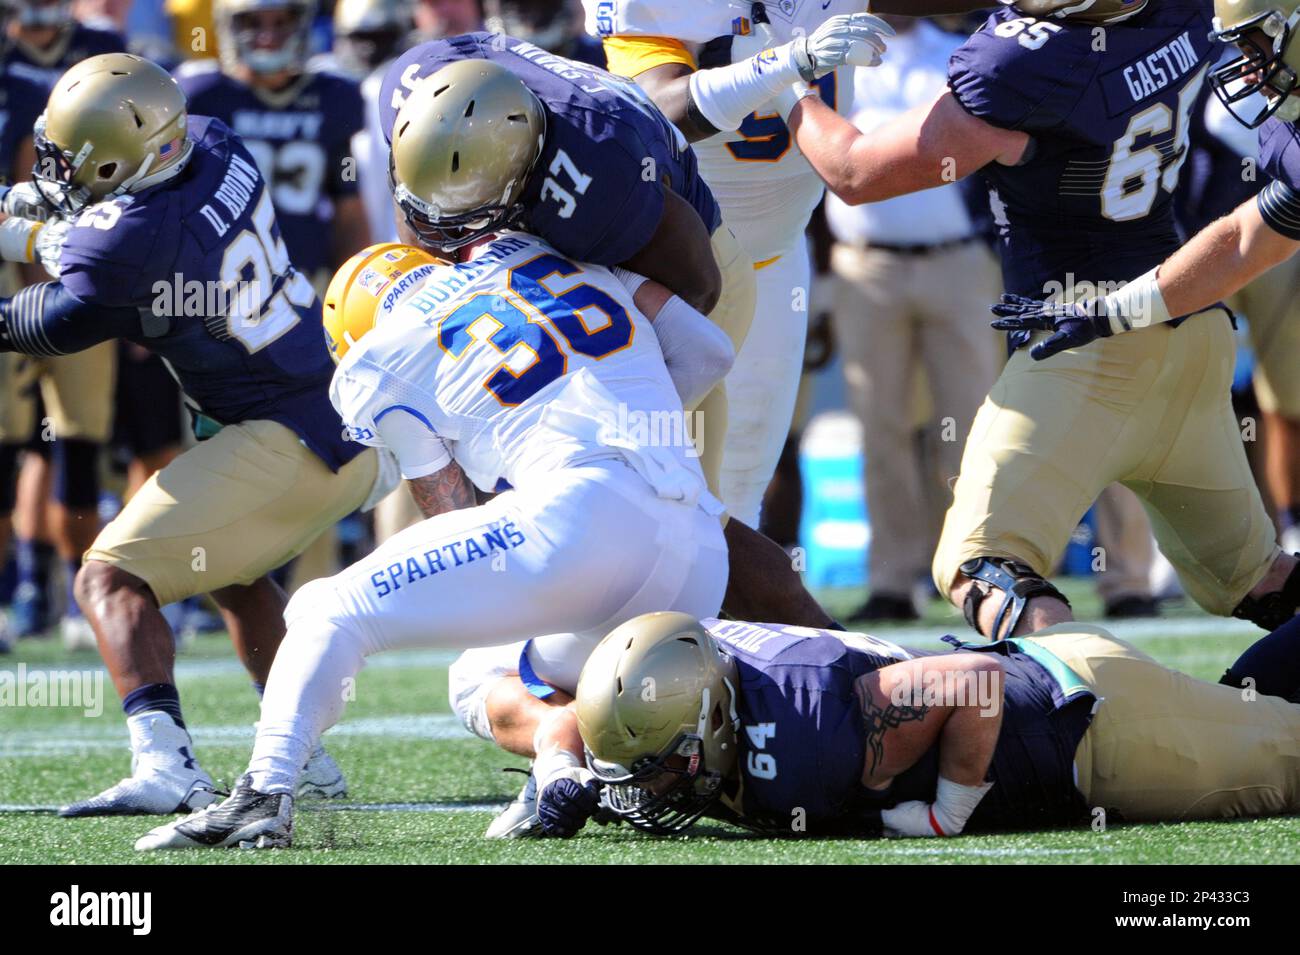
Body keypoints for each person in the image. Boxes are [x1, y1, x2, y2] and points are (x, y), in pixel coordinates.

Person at [131, 232, 736, 851]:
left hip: (579, 521)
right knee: (481, 674)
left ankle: (262, 794)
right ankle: (561, 756)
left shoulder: (385, 352)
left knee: (325, 608)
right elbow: (711, 355)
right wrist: (618, 429)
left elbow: (448, 504)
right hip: (697, 546)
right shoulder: (553, 257)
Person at [779, 0, 1299, 639]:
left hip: (1083, 345)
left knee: (982, 568)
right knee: (1257, 576)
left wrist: (783, 78)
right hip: (1188, 325)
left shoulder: (1022, 62)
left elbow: (854, 171)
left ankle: (1097, 724)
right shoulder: (1180, 9)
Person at [0, 53, 383, 815]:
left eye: (71, 157)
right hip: (339, 418)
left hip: (286, 442)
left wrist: (20, 230)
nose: (56, 168)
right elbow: (84, 223)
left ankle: (165, 762)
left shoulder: (128, 246)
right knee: (227, 572)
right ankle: (304, 758)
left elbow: (40, 320)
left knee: (108, 576)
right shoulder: (210, 138)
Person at [992, 0, 1300, 569]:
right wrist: (1110, 312)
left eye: (1256, 44)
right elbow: (1242, 242)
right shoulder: (1289, 136)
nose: (1247, 66)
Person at [537, 611, 1300, 838]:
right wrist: (558, 773)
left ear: (713, 719)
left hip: (1098, 738)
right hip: (1060, 676)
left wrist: (948, 812)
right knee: (1253, 703)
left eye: (667, 764)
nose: (652, 787)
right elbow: (584, 716)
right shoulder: (682, 661)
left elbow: (969, 682)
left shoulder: (803, 740)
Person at [582, 0, 891, 529]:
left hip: (779, 255)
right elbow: (662, 110)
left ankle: (723, 606)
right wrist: (790, 60)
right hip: (680, 268)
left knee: (744, 485)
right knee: (659, 476)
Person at [176, 0, 372, 295]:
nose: (267, 36)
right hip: (213, 290)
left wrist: (353, 290)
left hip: (303, 284)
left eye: (281, 22)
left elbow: (349, 208)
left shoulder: (334, 98)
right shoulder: (201, 96)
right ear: (228, 24)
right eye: (252, 23)